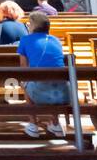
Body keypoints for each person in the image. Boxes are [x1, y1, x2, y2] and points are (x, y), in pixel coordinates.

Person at [17, 10, 69, 138]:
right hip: (64, 93)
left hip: (40, 93)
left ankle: (33, 124)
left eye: (29, 24)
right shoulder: (56, 40)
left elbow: (24, 68)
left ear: (33, 25)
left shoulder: (25, 40)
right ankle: (55, 123)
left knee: (25, 82)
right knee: (53, 80)